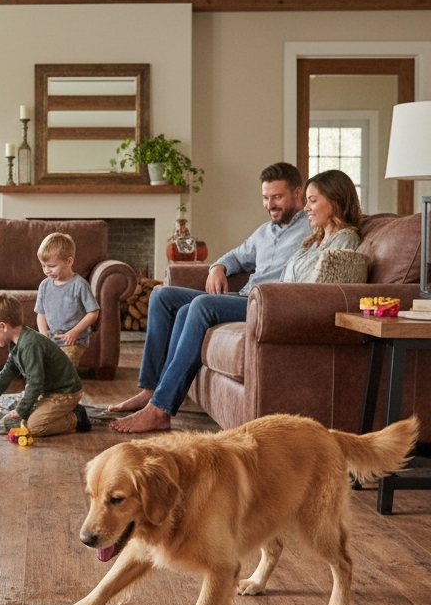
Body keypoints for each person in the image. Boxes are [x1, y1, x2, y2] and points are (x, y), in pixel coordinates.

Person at [109, 162, 311, 433]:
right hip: (243, 297)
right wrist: (218, 267)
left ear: (298, 194)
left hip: (267, 303)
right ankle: (150, 390)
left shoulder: (311, 228)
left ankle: (160, 410)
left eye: (277, 197)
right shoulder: (264, 232)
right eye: (265, 197)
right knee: (162, 296)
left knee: (201, 304)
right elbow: (236, 256)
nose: (269, 205)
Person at [0, 291, 91, 436]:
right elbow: (8, 370)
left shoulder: (30, 344)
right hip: (48, 391)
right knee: (25, 407)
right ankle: (60, 411)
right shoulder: (17, 342)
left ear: (3, 326)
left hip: (64, 393)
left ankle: (76, 417)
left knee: (34, 426)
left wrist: (20, 412)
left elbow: (35, 382)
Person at [280, 168, 362, 283]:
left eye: (312, 200)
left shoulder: (346, 239)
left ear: (335, 201)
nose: (306, 208)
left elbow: (325, 289)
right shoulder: (312, 242)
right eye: (307, 201)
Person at [33, 231, 100, 371]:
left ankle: (69, 392)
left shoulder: (80, 285)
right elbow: (41, 314)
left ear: (69, 261)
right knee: (34, 360)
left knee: (64, 364)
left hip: (73, 340)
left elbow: (93, 312)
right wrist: (44, 337)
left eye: (51, 266)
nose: (46, 271)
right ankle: (40, 391)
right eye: (43, 266)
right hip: (51, 337)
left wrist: (74, 332)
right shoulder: (44, 286)